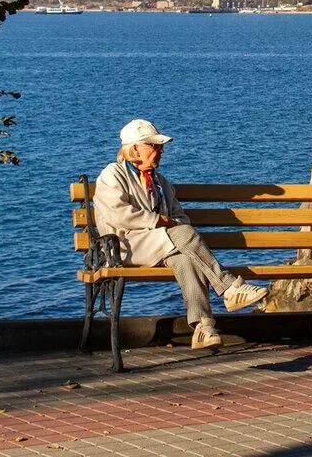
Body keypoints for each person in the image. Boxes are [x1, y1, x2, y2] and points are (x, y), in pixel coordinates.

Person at [93, 118, 267, 349]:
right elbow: (118, 214)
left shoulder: (160, 182)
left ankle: (204, 327)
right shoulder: (112, 174)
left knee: (186, 259)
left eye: (160, 146)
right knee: (182, 233)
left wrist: (169, 225)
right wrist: (159, 221)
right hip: (124, 247)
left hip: (160, 244)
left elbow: (179, 216)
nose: (161, 150)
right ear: (135, 149)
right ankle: (229, 287)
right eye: (155, 146)